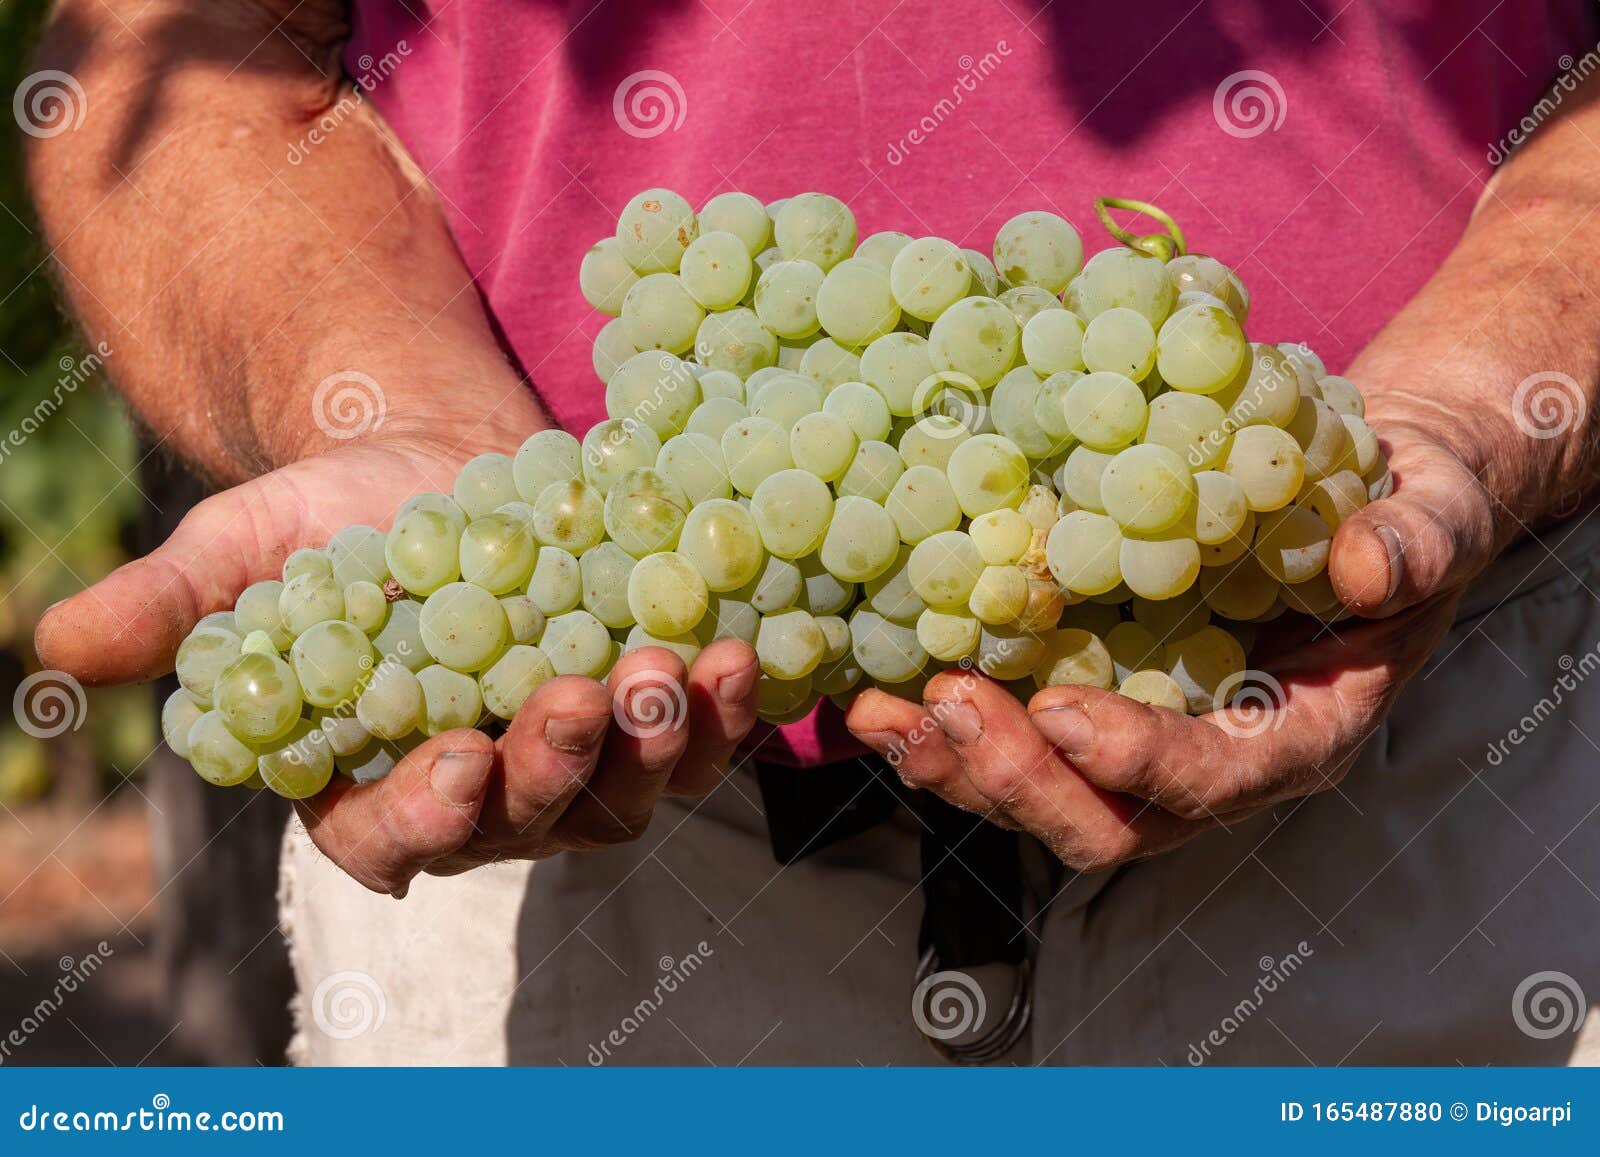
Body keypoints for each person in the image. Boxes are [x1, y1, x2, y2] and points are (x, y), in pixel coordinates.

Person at [26, 0, 1600, 1064]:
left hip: (1442, 766)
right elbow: (186, 48)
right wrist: (377, 404)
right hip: (607, 827)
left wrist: (1482, 402)